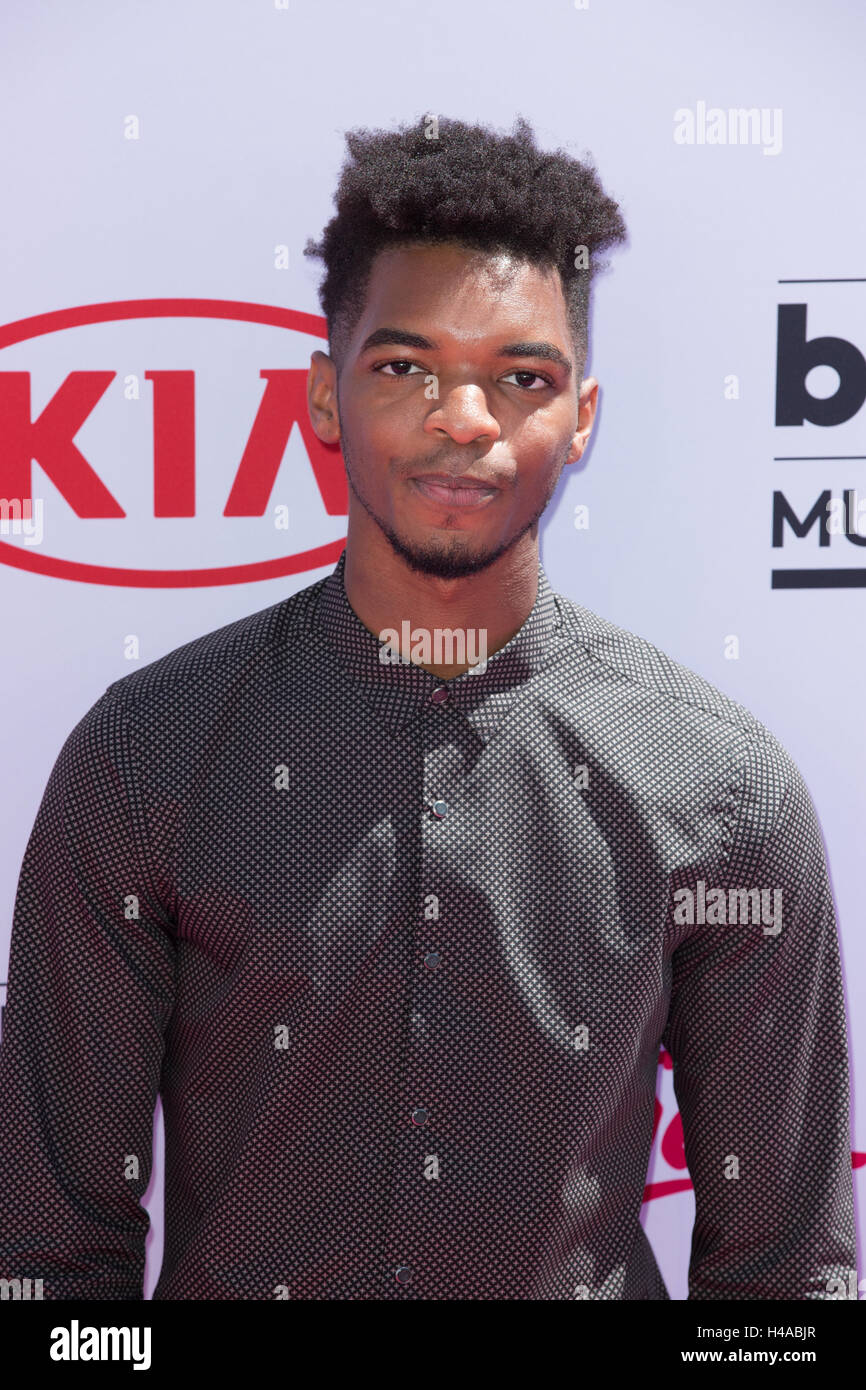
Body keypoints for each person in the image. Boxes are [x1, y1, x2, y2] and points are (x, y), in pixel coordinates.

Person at [0, 115, 856, 1300]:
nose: (464, 418)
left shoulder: (722, 791)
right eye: (405, 368)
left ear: (583, 419)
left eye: (521, 377)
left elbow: (782, 1279)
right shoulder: (145, 757)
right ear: (322, 397)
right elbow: (49, 1262)